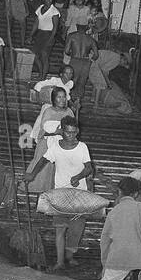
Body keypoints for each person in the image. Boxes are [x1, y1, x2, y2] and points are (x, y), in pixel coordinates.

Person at [43, 115, 95, 271]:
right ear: (62, 131)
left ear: (77, 131)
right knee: (60, 228)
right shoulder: (55, 147)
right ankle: (59, 261)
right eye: (68, 132)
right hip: (61, 194)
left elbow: (89, 168)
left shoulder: (82, 147)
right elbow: (43, 160)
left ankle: (69, 256)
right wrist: (31, 175)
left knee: (76, 229)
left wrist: (79, 177)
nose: (71, 136)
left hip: (79, 194)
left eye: (74, 132)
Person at [30, 0, 61, 78]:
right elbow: (36, 23)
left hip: (49, 34)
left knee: (44, 55)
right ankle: (41, 71)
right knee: (34, 55)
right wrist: (31, 35)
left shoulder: (54, 11)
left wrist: (51, 39)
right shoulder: (40, 8)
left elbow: (55, 27)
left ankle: (43, 76)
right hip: (40, 34)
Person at [64, 25, 98, 103]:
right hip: (86, 62)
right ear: (86, 28)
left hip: (75, 60)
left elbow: (66, 51)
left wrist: (72, 54)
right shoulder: (90, 39)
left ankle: (70, 101)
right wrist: (91, 60)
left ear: (77, 27)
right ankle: (78, 102)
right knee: (82, 82)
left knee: (72, 81)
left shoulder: (72, 36)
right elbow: (96, 55)